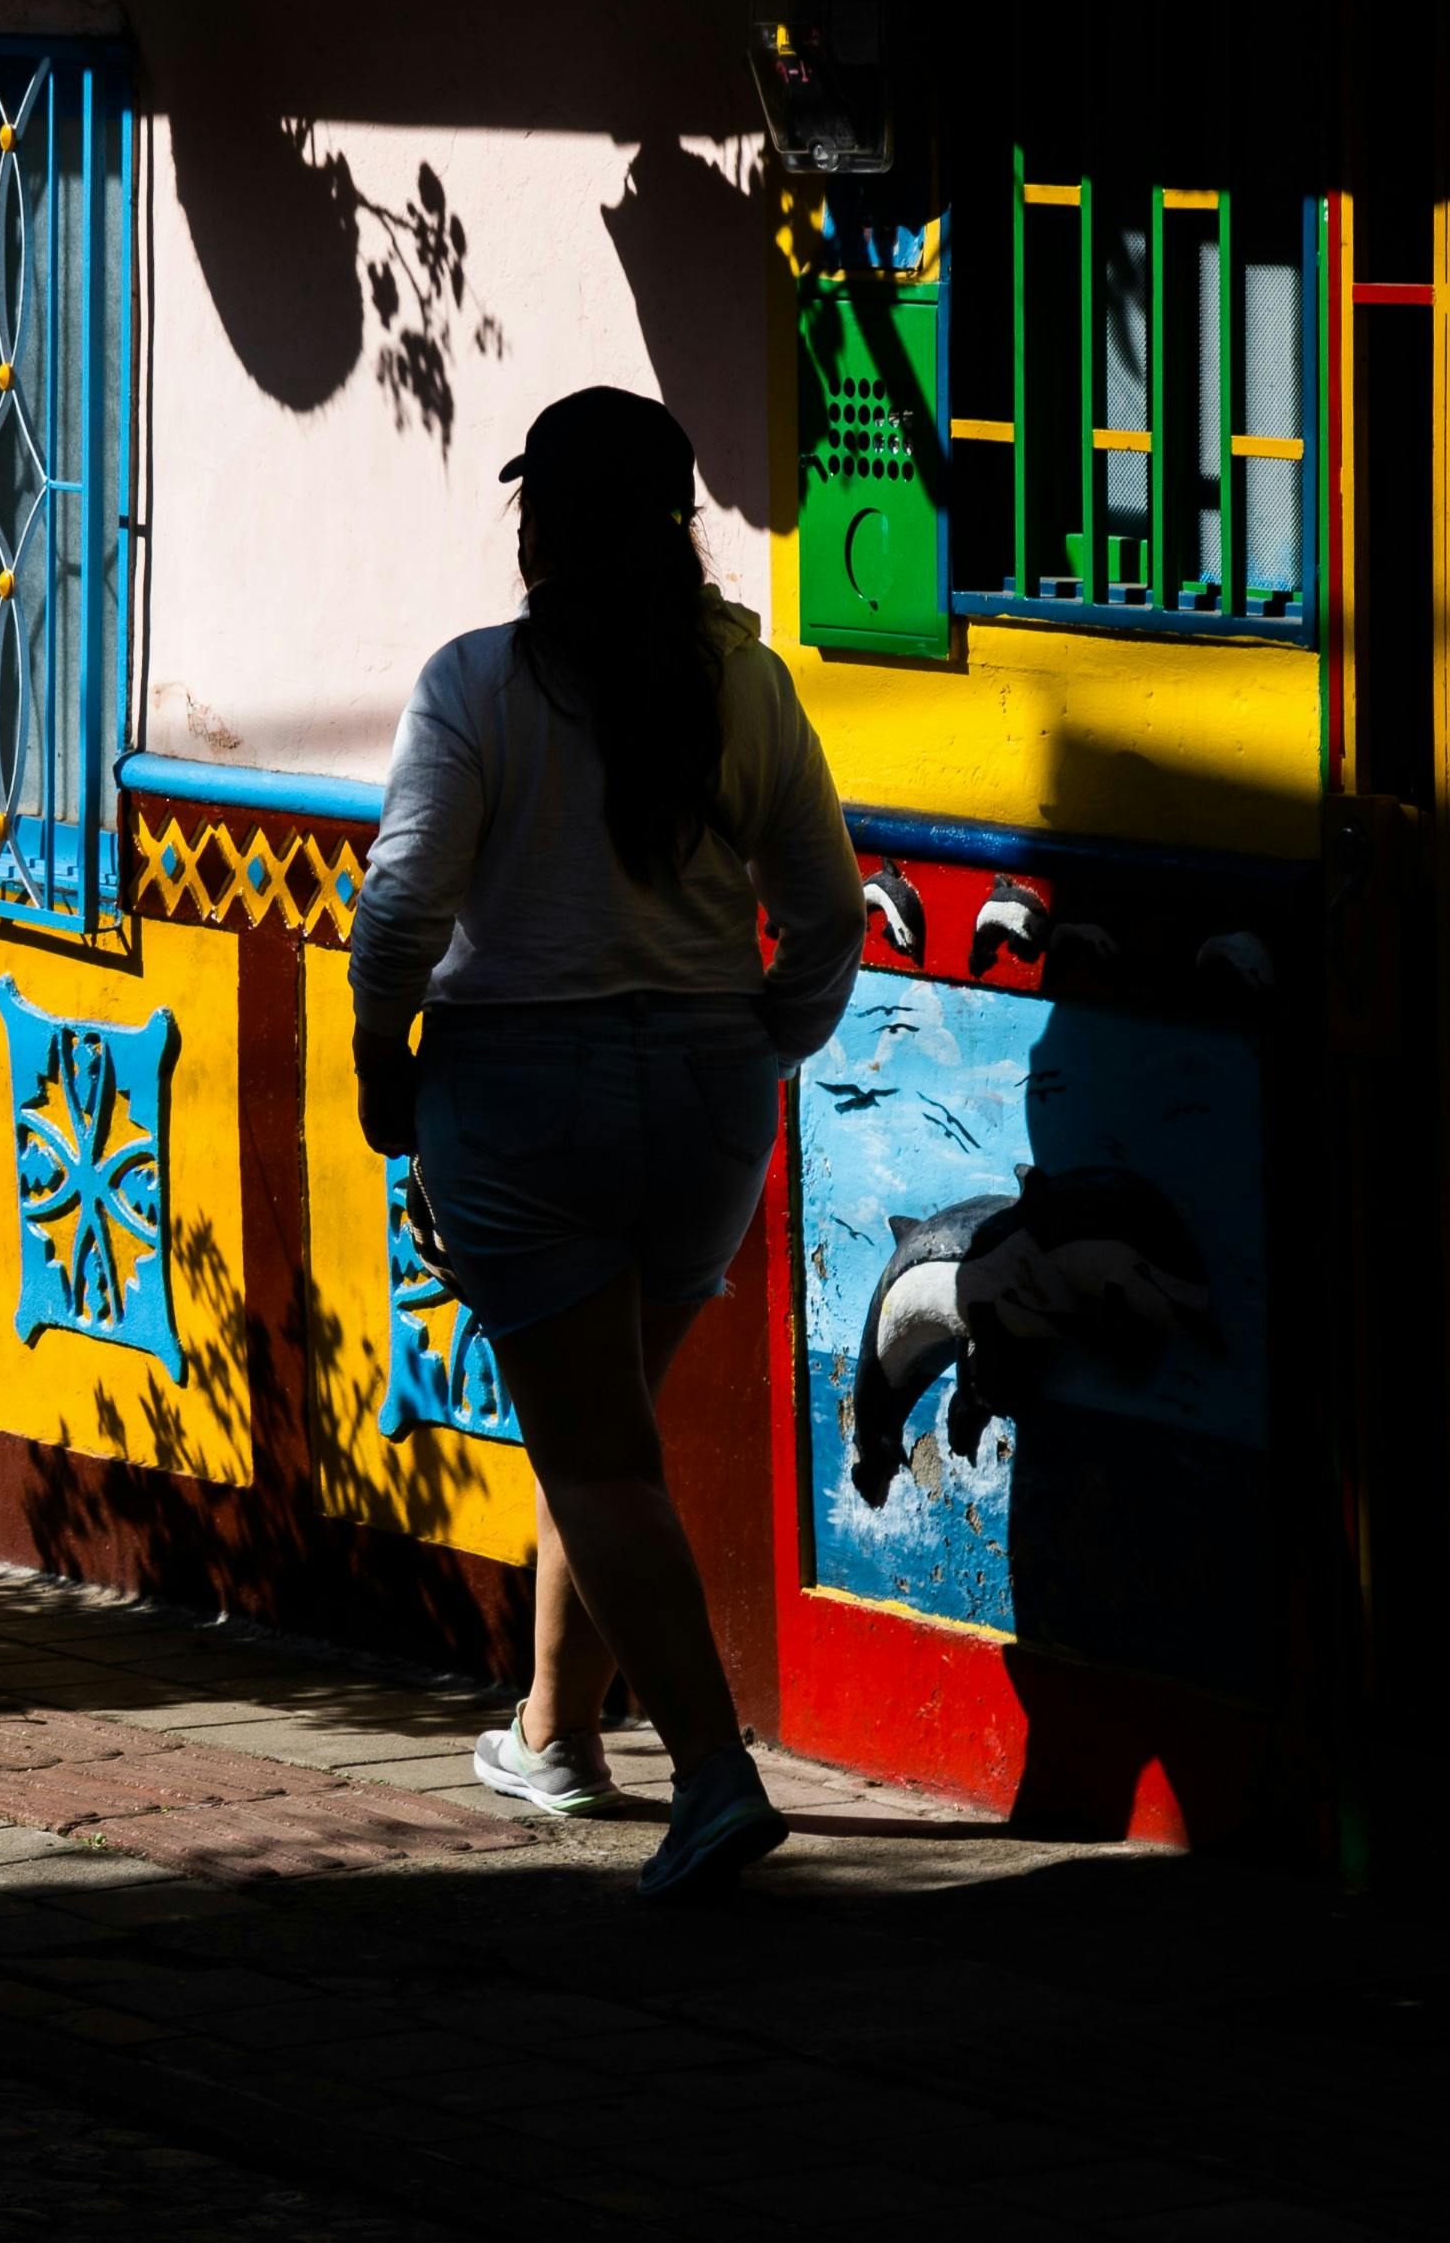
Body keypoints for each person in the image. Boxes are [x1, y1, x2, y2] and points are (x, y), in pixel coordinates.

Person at [347, 386, 860, 1900]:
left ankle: (711, 1777)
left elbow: (399, 914)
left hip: (522, 1091)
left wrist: (386, 1073)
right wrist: (770, 1033)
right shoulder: (742, 683)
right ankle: (556, 1732)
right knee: (605, 1429)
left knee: (590, 1443)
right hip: (705, 1092)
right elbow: (825, 908)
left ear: (539, 529)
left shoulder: (477, 687)